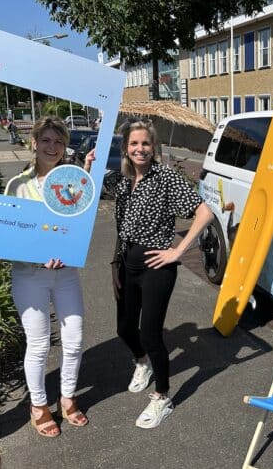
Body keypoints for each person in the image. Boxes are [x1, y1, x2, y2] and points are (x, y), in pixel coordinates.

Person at [108, 120, 213, 429]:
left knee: (150, 333)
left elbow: (205, 213)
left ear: (154, 147)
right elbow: (95, 202)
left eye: (145, 143)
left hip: (157, 266)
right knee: (124, 329)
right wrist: (115, 264)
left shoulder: (166, 177)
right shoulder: (124, 180)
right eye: (134, 143)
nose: (140, 149)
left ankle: (162, 397)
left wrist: (177, 252)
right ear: (125, 147)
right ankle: (142, 362)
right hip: (127, 264)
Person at [4, 116, 92, 437]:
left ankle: (67, 398)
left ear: (65, 146)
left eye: (58, 142)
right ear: (34, 143)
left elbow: (80, 224)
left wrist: (90, 172)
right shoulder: (18, 185)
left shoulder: (73, 180)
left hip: (66, 273)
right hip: (30, 275)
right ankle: (38, 406)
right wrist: (37, 254)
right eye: (46, 140)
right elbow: (9, 231)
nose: (52, 147)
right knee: (39, 344)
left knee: (75, 338)